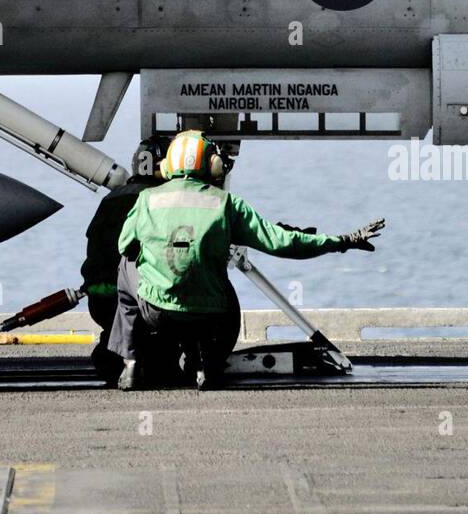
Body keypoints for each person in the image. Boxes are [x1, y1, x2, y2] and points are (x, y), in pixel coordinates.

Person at [109, 129, 386, 390]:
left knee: (126, 266)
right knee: (215, 281)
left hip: (157, 313)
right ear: (213, 165)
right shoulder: (228, 204)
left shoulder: (147, 200)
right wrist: (342, 241)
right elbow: (281, 242)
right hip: (211, 316)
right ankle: (207, 365)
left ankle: (131, 365)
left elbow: (124, 245)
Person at [81, 138, 168, 382]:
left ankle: (115, 350)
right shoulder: (160, 200)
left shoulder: (111, 199)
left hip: (99, 298)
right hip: (139, 301)